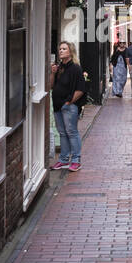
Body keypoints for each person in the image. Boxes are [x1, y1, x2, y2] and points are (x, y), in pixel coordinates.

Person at [50, 39, 85, 171]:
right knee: (62, 133)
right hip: (58, 106)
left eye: (64, 49)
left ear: (71, 52)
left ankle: (76, 160)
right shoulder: (60, 68)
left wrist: (69, 102)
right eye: (60, 49)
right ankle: (64, 160)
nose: (61, 51)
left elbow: (81, 89)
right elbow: (51, 86)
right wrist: (53, 73)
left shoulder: (75, 68)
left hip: (69, 106)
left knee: (71, 132)